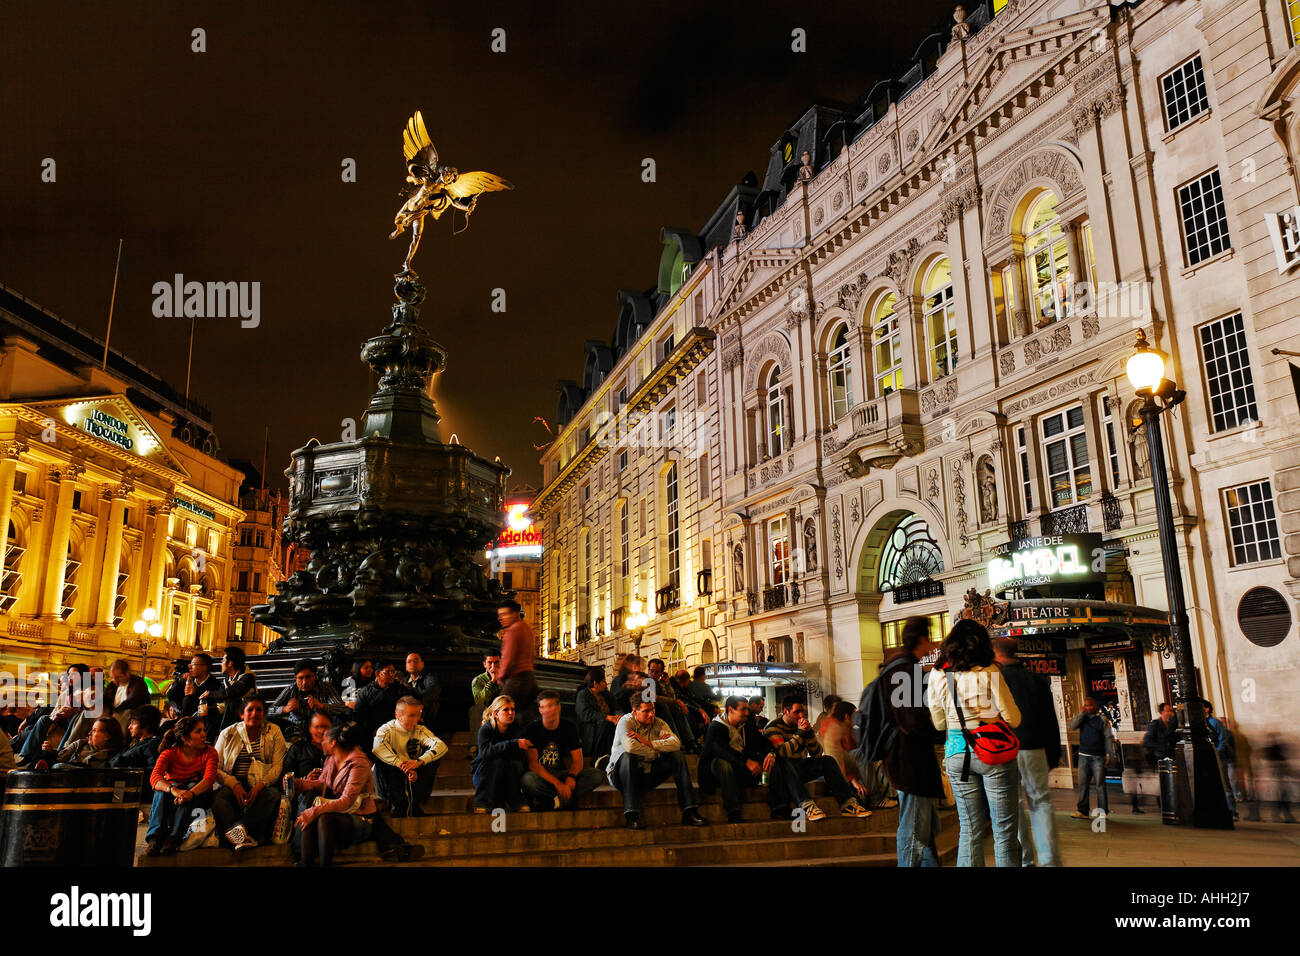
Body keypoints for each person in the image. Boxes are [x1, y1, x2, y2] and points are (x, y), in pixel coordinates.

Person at [928, 619, 1022, 867]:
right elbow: (1014, 717)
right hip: (992, 751)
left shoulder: (938, 674)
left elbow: (938, 723)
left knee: (969, 829)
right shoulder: (989, 671)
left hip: (957, 753)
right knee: (1003, 830)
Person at [864, 616, 945, 867]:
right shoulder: (905, 671)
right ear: (921, 639)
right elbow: (913, 720)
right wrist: (941, 731)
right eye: (929, 639)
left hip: (904, 759)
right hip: (911, 762)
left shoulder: (897, 668)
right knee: (914, 831)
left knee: (925, 830)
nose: (932, 645)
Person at [993, 637, 1061, 866]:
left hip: (1005, 750)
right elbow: (1051, 720)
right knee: (1040, 803)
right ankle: (1049, 860)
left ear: (996, 653)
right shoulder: (1037, 680)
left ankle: (1025, 859)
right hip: (1034, 747)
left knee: (1012, 806)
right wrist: (1052, 753)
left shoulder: (996, 680)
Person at [763, 696, 873, 821]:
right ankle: (807, 805)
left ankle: (848, 804)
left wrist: (809, 733)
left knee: (827, 760)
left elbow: (817, 753)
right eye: (796, 712)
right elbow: (783, 752)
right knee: (786, 762)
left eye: (802, 712)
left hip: (799, 768)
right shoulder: (773, 728)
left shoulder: (801, 727)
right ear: (786, 712)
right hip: (783, 773)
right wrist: (800, 734)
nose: (800, 716)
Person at [607, 699, 708, 830]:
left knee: (677, 756)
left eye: (652, 709)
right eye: (646, 711)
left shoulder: (658, 723)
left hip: (647, 774)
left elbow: (676, 743)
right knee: (628, 756)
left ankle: (689, 811)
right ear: (635, 711)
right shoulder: (625, 722)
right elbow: (630, 746)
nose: (651, 714)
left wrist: (647, 742)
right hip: (621, 776)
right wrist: (656, 750)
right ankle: (632, 815)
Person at [290, 722, 377, 867]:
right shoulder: (331, 759)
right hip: (340, 815)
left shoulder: (358, 763)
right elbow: (323, 783)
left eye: (324, 739)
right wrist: (298, 783)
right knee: (317, 815)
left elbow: (347, 801)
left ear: (333, 743)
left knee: (322, 816)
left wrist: (315, 810)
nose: (321, 742)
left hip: (361, 819)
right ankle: (306, 863)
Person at [212, 696, 286, 850]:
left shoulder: (274, 731)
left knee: (272, 794)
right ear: (242, 714)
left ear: (264, 714)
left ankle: (240, 830)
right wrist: (234, 785)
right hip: (234, 785)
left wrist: (260, 785)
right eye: (250, 709)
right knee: (220, 797)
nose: (254, 713)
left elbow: (277, 767)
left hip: (261, 785)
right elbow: (215, 767)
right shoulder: (228, 733)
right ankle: (243, 838)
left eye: (259, 710)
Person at [145, 716, 218, 856]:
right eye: (198, 731)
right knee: (160, 791)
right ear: (185, 738)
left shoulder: (210, 752)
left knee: (189, 786)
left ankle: (174, 837)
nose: (204, 734)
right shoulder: (169, 753)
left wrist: (189, 793)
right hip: (175, 792)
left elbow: (209, 780)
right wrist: (173, 790)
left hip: (198, 795)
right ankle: (155, 838)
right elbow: (155, 778)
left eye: (203, 730)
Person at [520, 690, 604, 810]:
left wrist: (571, 777)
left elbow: (578, 760)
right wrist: (558, 785)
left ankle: (552, 799)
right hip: (541, 776)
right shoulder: (531, 729)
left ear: (558, 707)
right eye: (544, 707)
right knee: (528, 780)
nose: (548, 710)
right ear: (540, 710)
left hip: (561, 773)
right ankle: (561, 799)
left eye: (551, 706)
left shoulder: (569, 727)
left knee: (596, 775)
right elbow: (534, 765)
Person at [699, 696, 777, 823]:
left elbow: (762, 742)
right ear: (731, 709)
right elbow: (721, 750)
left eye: (747, 709)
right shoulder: (716, 726)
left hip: (739, 769)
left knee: (772, 760)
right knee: (723, 763)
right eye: (743, 709)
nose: (747, 712)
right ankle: (733, 810)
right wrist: (746, 762)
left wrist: (770, 754)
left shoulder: (745, 725)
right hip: (714, 773)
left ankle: (778, 806)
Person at [372, 696, 448, 817]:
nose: (417, 719)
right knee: (381, 760)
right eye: (412, 715)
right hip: (393, 772)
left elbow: (441, 746)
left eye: (418, 715)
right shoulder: (386, 729)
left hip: (413, 770)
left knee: (433, 760)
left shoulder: (420, 730)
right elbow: (378, 749)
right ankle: (397, 805)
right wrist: (403, 765)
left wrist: (419, 762)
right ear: (398, 715)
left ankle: (415, 803)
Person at [472, 695, 530, 813]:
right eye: (506, 710)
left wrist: (502, 749)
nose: (511, 713)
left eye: (512, 709)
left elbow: (520, 755)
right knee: (496, 761)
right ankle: (482, 801)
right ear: (496, 714)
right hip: (484, 774)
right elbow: (485, 753)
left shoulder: (516, 729)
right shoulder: (486, 729)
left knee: (515, 763)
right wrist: (512, 744)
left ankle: (515, 800)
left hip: (507, 773)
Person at [270, 660, 347, 739]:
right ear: (295, 678)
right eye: (300, 678)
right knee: (269, 720)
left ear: (315, 676)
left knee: (342, 718)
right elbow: (269, 710)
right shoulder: (291, 690)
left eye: (308, 677)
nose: (304, 682)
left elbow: (342, 707)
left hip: (320, 728)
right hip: (296, 727)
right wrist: (285, 709)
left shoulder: (325, 687)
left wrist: (322, 706)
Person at [1069, 697, 1117, 821]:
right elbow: (1072, 726)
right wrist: (1081, 714)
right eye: (1085, 705)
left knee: (1100, 785)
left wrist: (1110, 755)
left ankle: (1102, 812)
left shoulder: (1102, 719)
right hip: (1083, 756)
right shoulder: (1082, 719)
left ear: (1095, 706)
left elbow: (1108, 737)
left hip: (1098, 756)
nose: (1087, 707)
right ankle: (1082, 811)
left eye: (1089, 705)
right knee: (1083, 784)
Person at [819, 700, 871, 803]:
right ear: (847, 717)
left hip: (847, 769)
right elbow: (836, 761)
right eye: (853, 716)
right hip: (837, 774)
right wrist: (852, 780)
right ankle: (876, 799)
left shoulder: (845, 728)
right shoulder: (833, 729)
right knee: (862, 753)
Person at [283, 710, 331, 818]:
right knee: (310, 795)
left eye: (325, 727)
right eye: (317, 727)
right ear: (309, 729)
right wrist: (305, 780)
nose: (321, 731)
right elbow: (286, 779)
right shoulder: (298, 749)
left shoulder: (337, 750)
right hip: (303, 797)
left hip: (331, 796)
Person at [110, 705, 164, 802]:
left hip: (128, 794)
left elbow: (153, 771)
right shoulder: (136, 743)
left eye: (133, 723)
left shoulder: (152, 745)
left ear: (145, 725)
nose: (129, 727)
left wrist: (127, 770)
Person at [497, 600, 538, 724]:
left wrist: (500, 676)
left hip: (516, 681)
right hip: (529, 679)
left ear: (515, 614)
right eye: (499, 615)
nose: (500, 618)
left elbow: (508, 658)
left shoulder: (512, 631)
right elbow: (533, 655)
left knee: (499, 713)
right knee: (524, 716)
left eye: (504, 614)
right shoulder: (527, 628)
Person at [202, 647, 257, 736]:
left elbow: (231, 693)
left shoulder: (247, 678)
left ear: (230, 663)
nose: (221, 663)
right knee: (207, 713)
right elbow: (221, 700)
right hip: (228, 714)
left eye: (223, 660)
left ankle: (224, 735)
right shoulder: (227, 679)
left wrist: (210, 693)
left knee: (232, 702)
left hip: (246, 715)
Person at [167, 654, 221, 739]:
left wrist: (195, 695)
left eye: (193, 665)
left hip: (203, 722)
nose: (190, 668)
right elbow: (171, 696)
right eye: (190, 665)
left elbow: (212, 707)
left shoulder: (215, 685)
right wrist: (181, 680)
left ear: (205, 667)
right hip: (182, 720)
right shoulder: (187, 681)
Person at [1204, 701, 1240, 819]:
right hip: (1207, 758)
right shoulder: (1199, 723)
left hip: (1218, 757)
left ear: (1207, 709)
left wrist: (1217, 752)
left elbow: (1223, 739)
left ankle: (1232, 811)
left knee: (1225, 785)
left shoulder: (1215, 722)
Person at [575, 667, 619, 763]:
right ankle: (598, 757)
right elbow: (585, 714)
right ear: (595, 683)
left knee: (619, 724)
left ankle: (616, 755)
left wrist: (618, 717)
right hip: (590, 726)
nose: (606, 684)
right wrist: (607, 717)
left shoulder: (607, 694)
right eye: (603, 681)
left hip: (608, 722)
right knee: (605, 724)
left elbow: (616, 707)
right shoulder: (583, 694)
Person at [50, 716, 125, 769]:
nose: (89, 733)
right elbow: (58, 758)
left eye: (95, 730)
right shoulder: (80, 744)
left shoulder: (114, 757)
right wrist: (49, 752)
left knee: (59, 767)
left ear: (107, 736)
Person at [355, 662, 404, 741]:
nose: (392, 675)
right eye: (388, 672)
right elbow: (359, 714)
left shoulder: (400, 689)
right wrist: (372, 729)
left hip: (396, 730)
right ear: (378, 674)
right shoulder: (366, 691)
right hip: (372, 732)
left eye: (393, 672)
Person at [467, 653, 502, 755]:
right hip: (486, 710)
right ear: (484, 664)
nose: (493, 666)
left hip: (503, 709)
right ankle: (474, 747)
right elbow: (480, 701)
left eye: (496, 662)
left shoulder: (507, 678)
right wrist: (492, 681)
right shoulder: (477, 680)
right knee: (476, 708)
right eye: (489, 663)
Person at [107, 659, 150, 729]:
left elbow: (132, 700)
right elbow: (104, 698)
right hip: (114, 714)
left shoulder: (137, 682)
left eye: (118, 677)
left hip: (134, 715)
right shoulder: (113, 685)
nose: (115, 681)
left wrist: (116, 710)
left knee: (126, 713)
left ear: (127, 673)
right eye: (112, 678)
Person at [403, 651, 441, 726]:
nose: (412, 663)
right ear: (406, 666)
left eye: (415, 661)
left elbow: (430, 694)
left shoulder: (430, 678)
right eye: (409, 661)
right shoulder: (403, 681)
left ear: (422, 664)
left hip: (425, 717)